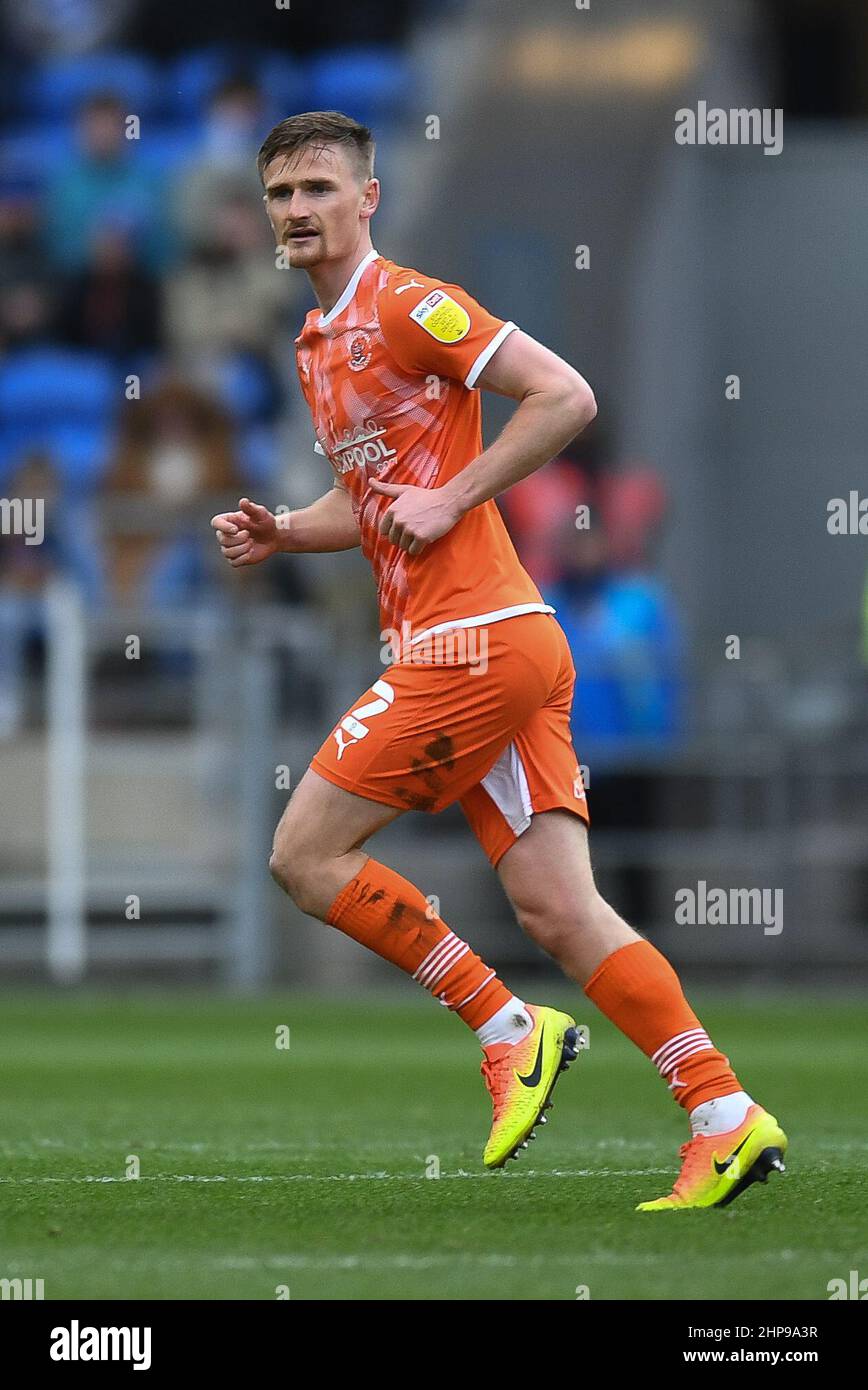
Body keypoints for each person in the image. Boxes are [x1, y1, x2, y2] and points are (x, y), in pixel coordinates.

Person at [211, 111, 787, 1208]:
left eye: (320, 189)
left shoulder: (405, 304)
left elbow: (565, 394)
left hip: (468, 644)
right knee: (563, 913)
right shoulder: (317, 342)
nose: (298, 211)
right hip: (504, 645)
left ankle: (504, 1022)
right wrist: (289, 526)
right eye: (282, 194)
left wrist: (462, 490)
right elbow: (376, 499)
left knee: (302, 852)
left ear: (368, 198)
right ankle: (722, 1112)